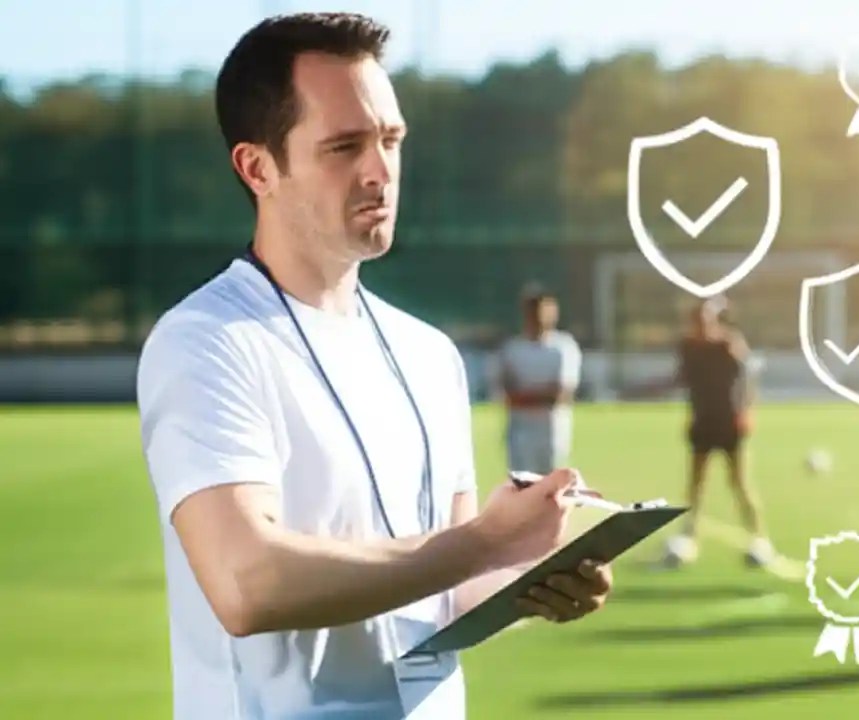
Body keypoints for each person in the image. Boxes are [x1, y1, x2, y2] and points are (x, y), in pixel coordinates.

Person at [135, 14, 611, 719]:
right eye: (344, 146)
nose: (380, 171)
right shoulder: (207, 340)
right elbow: (246, 584)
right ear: (258, 168)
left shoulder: (429, 354)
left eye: (391, 140)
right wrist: (482, 542)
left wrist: (526, 578)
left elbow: (445, 589)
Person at [661, 297, 775, 568]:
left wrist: (747, 411)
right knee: (695, 486)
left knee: (739, 482)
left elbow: (747, 379)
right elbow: (683, 378)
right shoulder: (688, 347)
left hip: (728, 422)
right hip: (702, 422)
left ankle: (759, 537)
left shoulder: (729, 344)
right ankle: (688, 536)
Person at [496, 288, 582, 475]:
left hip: (551, 431)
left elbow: (560, 394)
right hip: (519, 432)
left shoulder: (563, 347)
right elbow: (507, 394)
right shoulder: (512, 349)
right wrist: (539, 396)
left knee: (550, 484)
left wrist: (526, 397)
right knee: (522, 484)